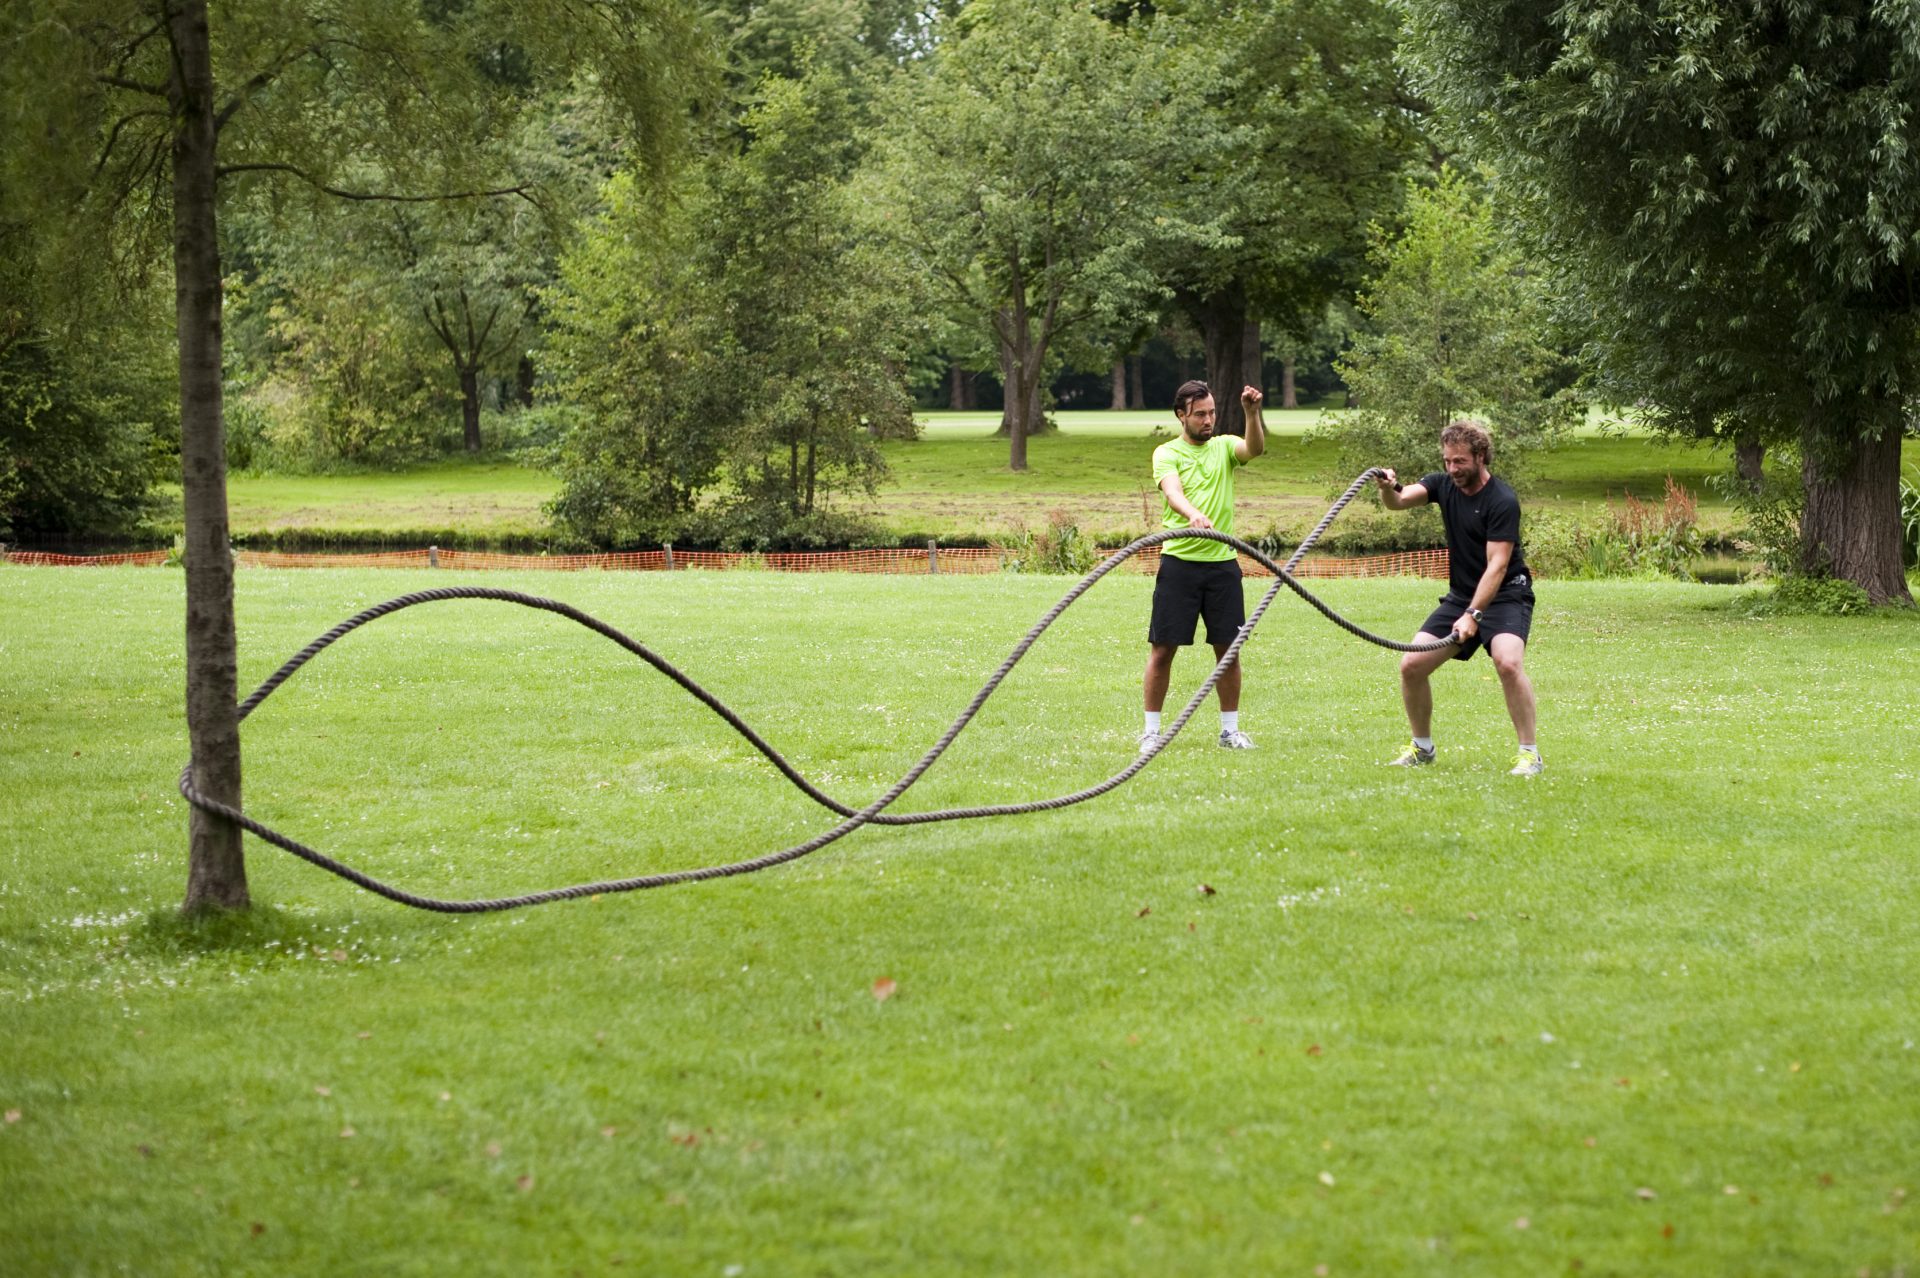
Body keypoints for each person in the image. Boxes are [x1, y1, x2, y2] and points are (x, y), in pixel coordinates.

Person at [1375, 420, 1542, 776]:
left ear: (1480, 456)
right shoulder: (1442, 484)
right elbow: (1399, 501)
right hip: (1462, 597)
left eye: (1460, 461)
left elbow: (1497, 566)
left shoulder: (1502, 500)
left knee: (1508, 663)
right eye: (1448, 461)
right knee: (1411, 666)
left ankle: (1530, 754)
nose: (1452, 469)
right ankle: (1422, 748)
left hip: (1507, 595)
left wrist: (1473, 614)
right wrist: (1387, 488)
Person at [1140, 380, 1266, 753]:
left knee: (1229, 651)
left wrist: (1251, 414)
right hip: (1179, 564)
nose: (1208, 420)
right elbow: (1172, 491)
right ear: (1181, 415)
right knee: (1163, 650)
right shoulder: (1166, 452)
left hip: (1223, 566)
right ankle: (1151, 733)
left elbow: (1254, 449)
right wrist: (1193, 514)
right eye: (1199, 414)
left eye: (1211, 413)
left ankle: (1230, 732)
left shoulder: (1225, 447)